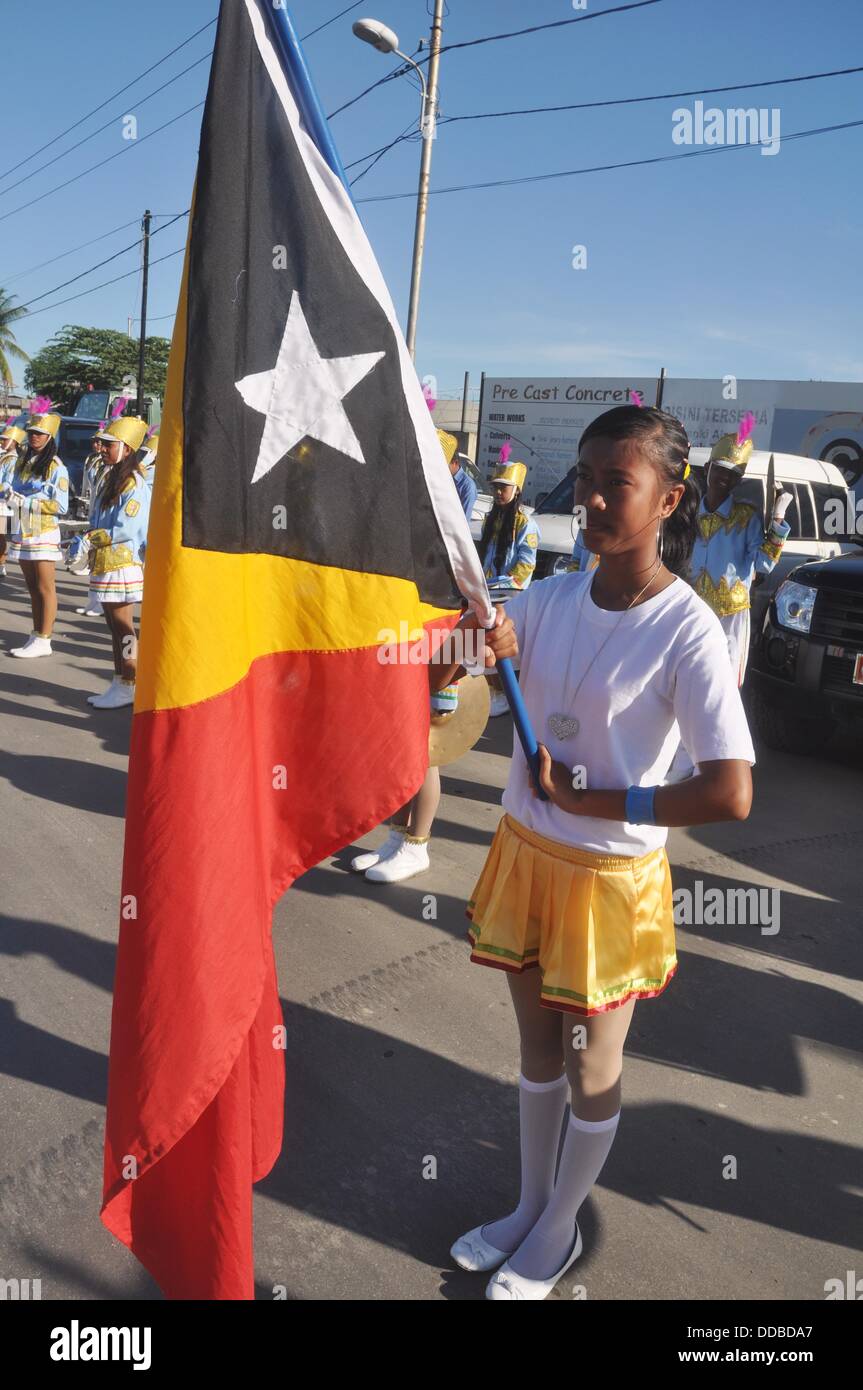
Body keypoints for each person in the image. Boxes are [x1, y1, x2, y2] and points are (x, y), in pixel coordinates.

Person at [432, 404, 755, 1300]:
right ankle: (528, 1207)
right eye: (583, 478)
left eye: (617, 481)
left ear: (667, 500)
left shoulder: (686, 628)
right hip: (527, 853)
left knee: (588, 1065)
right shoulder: (547, 596)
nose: (593, 498)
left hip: (610, 879)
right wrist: (471, 642)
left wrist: (595, 798)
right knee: (537, 1051)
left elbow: (730, 791)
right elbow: (444, 672)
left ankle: (561, 1227)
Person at [351, 428, 476, 886]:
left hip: (433, 653)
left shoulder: (446, 528)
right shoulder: (406, 519)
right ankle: (396, 837)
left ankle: (417, 844)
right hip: (400, 651)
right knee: (399, 753)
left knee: (423, 757)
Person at [690, 415, 792, 686]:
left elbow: (763, 564)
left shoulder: (747, 518)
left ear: (739, 480)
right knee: (686, 675)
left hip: (729, 615)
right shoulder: (689, 513)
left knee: (722, 681)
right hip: (690, 607)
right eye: (720, 469)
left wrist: (778, 521)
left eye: (732, 473)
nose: (724, 477)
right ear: (707, 468)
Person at [70, 416, 150, 708]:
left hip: (122, 564)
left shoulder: (133, 481)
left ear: (127, 449)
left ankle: (129, 681)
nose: (101, 448)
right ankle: (120, 681)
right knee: (114, 626)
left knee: (123, 627)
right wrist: (85, 537)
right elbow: (99, 518)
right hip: (106, 562)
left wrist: (92, 538)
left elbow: (126, 527)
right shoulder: (111, 477)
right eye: (102, 443)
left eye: (108, 444)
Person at [477, 452, 540, 716]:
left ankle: (505, 694)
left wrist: (502, 586)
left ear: (517, 490)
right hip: (489, 591)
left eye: (504, 487)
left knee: (504, 647)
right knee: (484, 644)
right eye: (496, 487)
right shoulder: (492, 519)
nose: (499, 492)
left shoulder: (525, 523)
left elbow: (526, 563)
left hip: (509, 594)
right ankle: (491, 689)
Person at [2, 411, 69, 658]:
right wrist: (11, 494)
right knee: (32, 588)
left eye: (39, 434)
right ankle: (36, 634)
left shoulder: (56, 467)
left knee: (45, 587)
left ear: (50, 437)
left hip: (43, 532)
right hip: (23, 528)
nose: (34, 437)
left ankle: (45, 637)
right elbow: (14, 489)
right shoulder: (22, 462)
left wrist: (28, 502)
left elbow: (60, 505)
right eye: (31, 433)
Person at [75, 429, 108, 616]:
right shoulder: (95, 461)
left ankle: (101, 602)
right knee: (95, 557)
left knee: (102, 560)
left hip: (105, 517)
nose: (97, 446)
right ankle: (94, 600)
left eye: (102, 442)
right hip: (95, 509)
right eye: (96, 442)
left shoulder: (114, 468)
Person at [0, 423, 26, 579]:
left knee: (0, 534)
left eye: (5, 439)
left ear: (14, 441)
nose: (2, 442)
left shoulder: (13, 459)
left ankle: (2, 564)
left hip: (4, 501)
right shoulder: (4, 456)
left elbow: (8, 483)